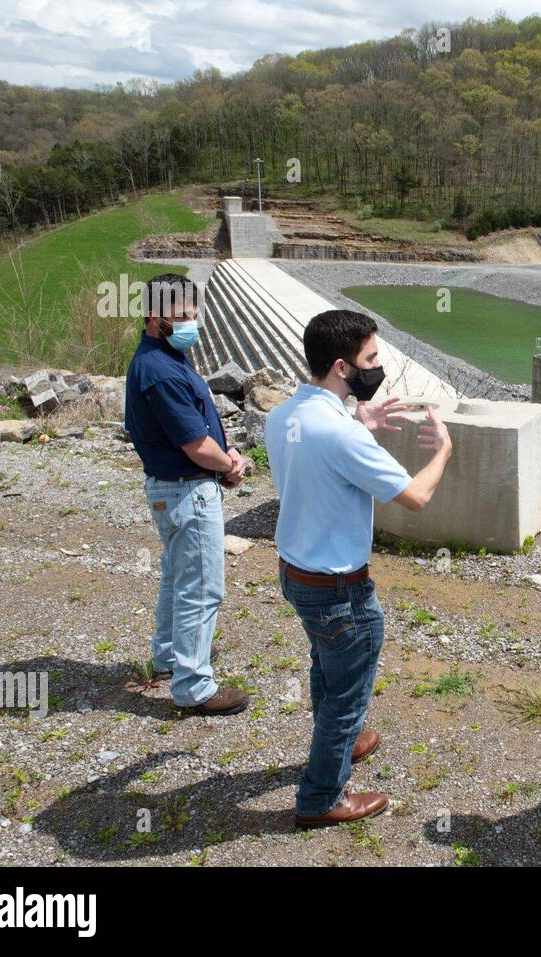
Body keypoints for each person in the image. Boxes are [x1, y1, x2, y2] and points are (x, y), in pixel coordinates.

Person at [266, 309, 452, 829]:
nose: (379, 369)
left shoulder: (284, 416)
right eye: (372, 359)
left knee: (327, 670)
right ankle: (321, 796)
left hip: (296, 573)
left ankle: (341, 741)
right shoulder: (343, 436)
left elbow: (317, 464)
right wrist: (445, 450)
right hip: (339, 589)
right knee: (348, 689)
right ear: (344, 367)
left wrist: (358, 424)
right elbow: (415, 496)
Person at [124, 273, 250, 716]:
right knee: (201, 588)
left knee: (178, 578)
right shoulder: (160, 371)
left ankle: (167, 658)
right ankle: (194, 686)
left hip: (179, 488)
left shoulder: (164, 357)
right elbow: (195, 447)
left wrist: (224, 457)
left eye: (194, 315)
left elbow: (198, 430)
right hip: (187, 492)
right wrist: (229, 464)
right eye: (182, 317)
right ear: (155, 317)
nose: (191, 324)